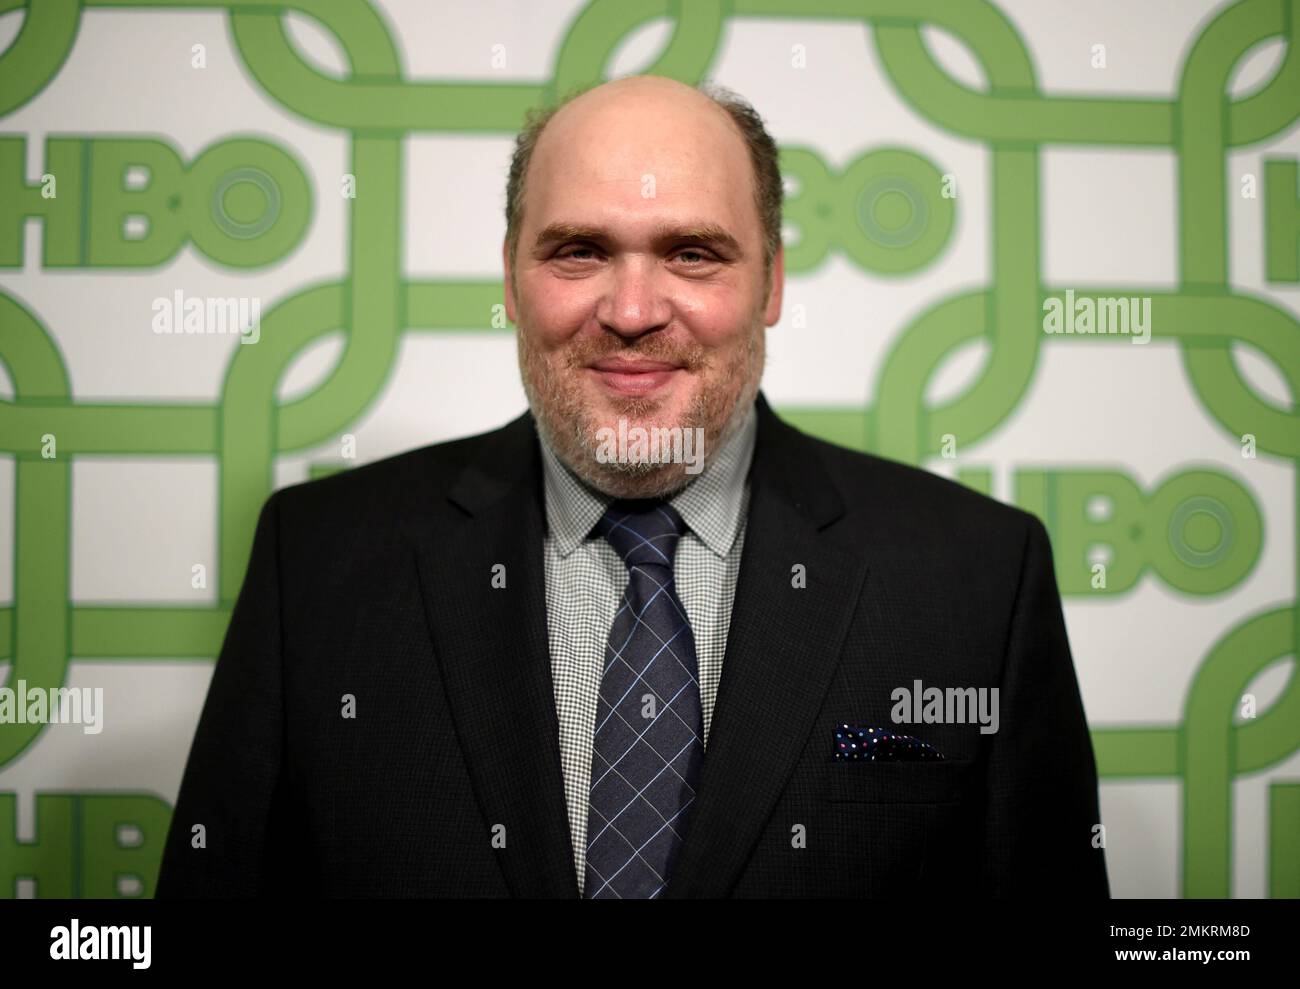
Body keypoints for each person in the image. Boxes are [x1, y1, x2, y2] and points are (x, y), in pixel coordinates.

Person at [157, 75, 1108, 898]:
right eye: (579, 251)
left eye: (693, 253)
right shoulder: (319, 562)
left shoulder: (979, 580)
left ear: (771, 280)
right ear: (511, 278)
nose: (633, 312)